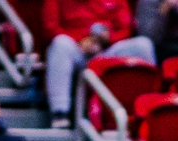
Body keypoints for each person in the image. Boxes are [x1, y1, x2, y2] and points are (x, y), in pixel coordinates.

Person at [45, 0, 157, 129]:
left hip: (107, 49)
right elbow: (50, 28)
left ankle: (148, 110)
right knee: (60, 43)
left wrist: (105, 41)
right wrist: (81, 40)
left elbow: (126, 28)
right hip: (76, 49)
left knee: (143, 45)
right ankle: (60, 113)